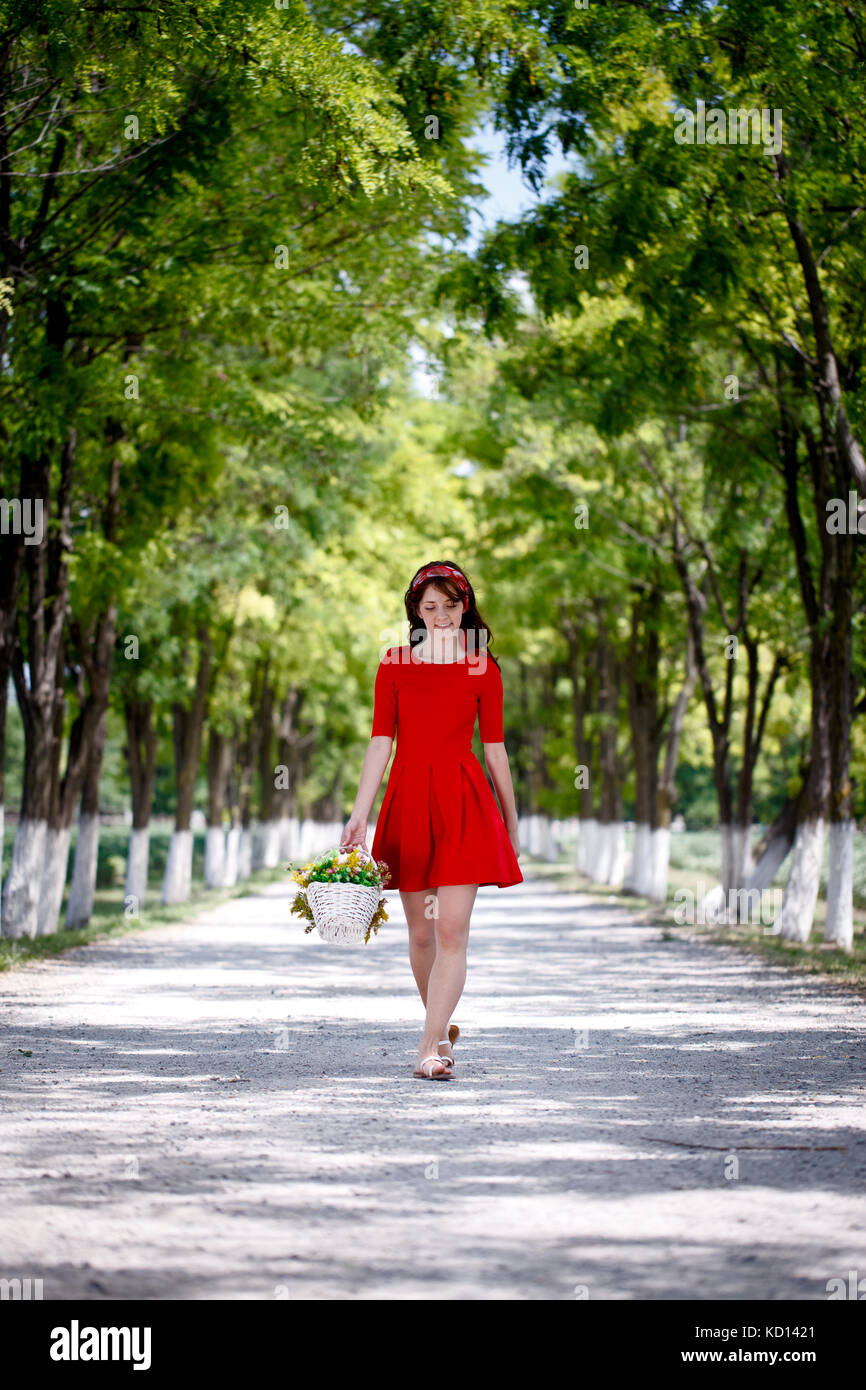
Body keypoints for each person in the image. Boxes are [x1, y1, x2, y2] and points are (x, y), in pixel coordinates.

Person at [339, 561, 523, 1081]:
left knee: (451, 931)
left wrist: (511, 820)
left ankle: (429, 1048)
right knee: (421, 934)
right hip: (410, 800)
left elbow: (495, 750)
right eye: (430, 607)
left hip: (464, 802)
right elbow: (381, 742)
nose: (441, 615)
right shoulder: (394, 665)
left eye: (451, 605)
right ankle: (441, 1028)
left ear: (465, 607)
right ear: (416, 612)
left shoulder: (483, 667)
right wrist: (359, 815)